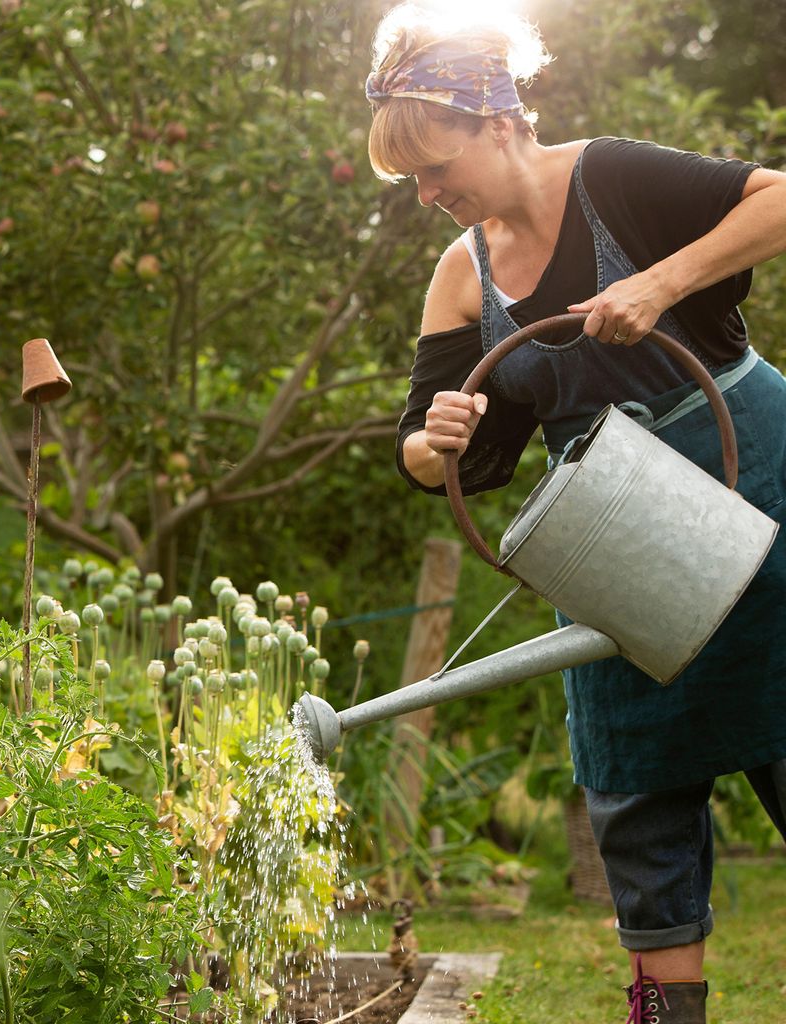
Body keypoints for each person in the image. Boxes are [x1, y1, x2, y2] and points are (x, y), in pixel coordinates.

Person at [365, 4, 786, 1022]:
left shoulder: (610, 175)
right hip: (604, 531)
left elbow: (777, 199)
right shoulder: (460, 272)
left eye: (433, 164)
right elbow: (425, 454)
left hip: (755, 480)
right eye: (412, 179)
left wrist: (663, 277)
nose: (426, 194)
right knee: (634, 785)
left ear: (497, 122)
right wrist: (441, 438)